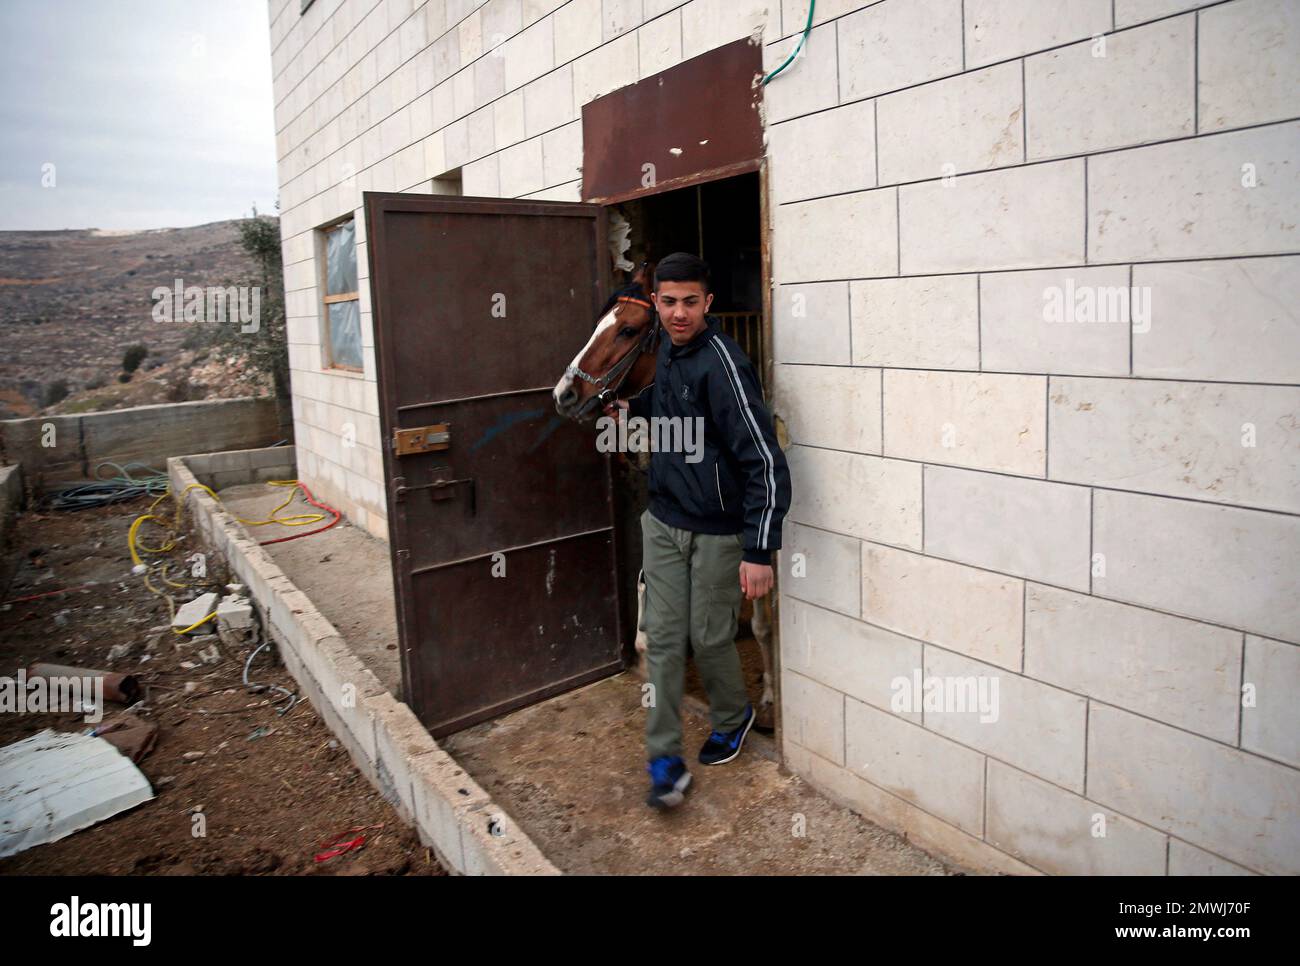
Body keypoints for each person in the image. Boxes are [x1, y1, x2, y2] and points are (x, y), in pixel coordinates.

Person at [604, 252, 791, 810]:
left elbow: (763, 459)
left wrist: (760, 549)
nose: (678, 313)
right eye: (668, 302)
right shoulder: (664, 353)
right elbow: (665, 407)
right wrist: (629, 411)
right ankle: (663, 758)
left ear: (708, 303)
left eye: (690, 302)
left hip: (717, 531)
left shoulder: (724, 364)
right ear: (655, 302)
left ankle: (733, 718)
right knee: (661, 640)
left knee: (710, 637)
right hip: (663, 522)